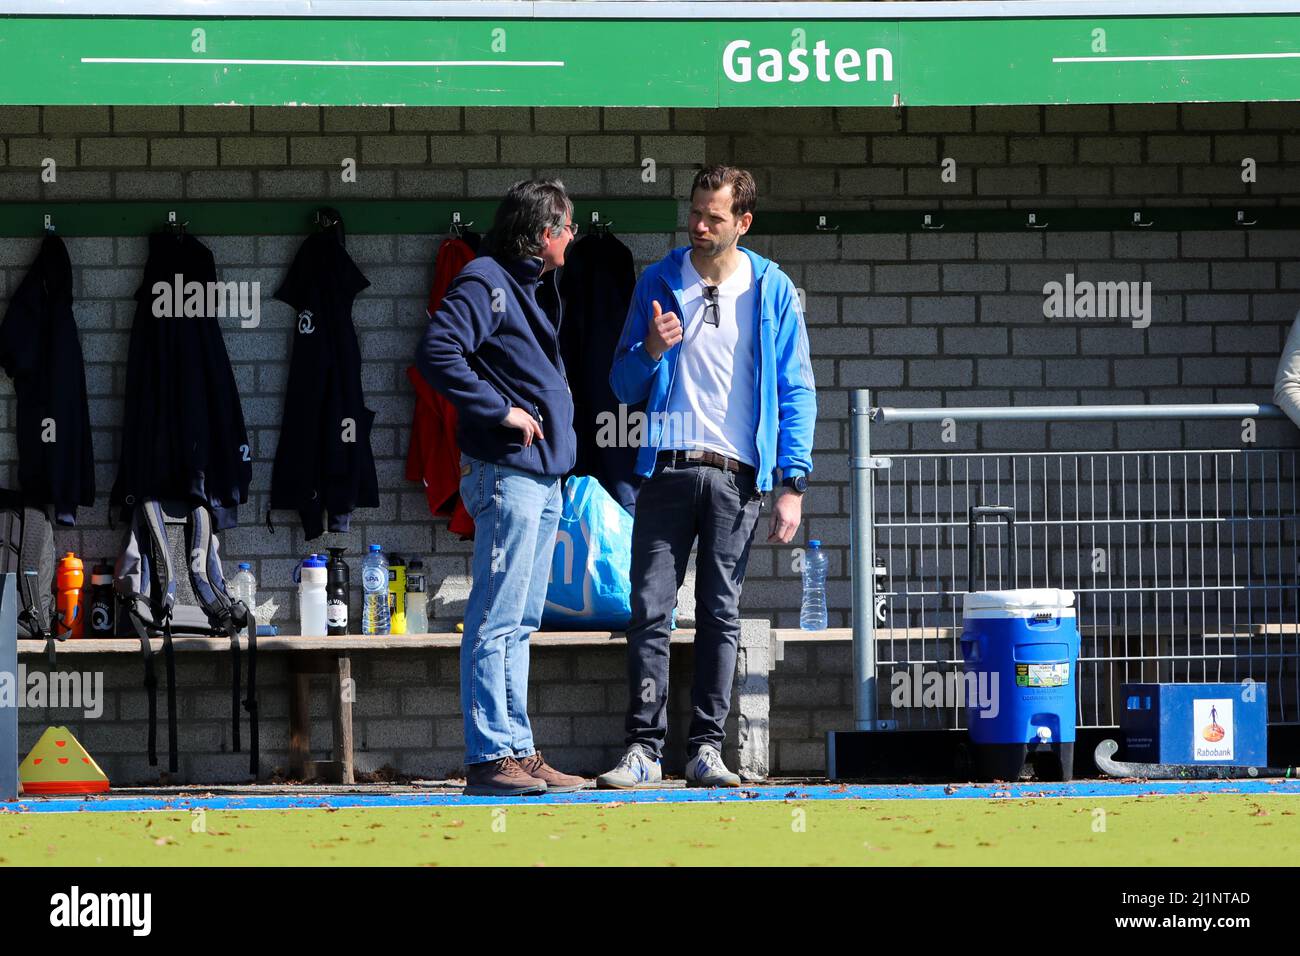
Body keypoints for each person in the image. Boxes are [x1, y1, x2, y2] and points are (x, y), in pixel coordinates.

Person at [597, 165, 817, 789]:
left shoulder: (772, 290)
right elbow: (620, 384)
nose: (698, 225)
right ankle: (642, 749)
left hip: (737, 479)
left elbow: (797, 390)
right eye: (694, 212)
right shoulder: (659, 280)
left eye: (714, 217)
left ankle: (706, 751)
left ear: (743, 223)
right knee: (649, 610)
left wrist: (792, 483)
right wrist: (650, 350)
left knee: (721, 613)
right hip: (666, 468)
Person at [416, 179, 590, 796]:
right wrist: (500, 409)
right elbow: (437, 351)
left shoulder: (529, 286)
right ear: (545, 232)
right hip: (508, 474)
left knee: (519, 621)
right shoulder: (487, 280)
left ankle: (518, 748)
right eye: (568, 228)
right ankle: (491, 756)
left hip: (541, 478)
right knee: (496, 617)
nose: (573, 238)